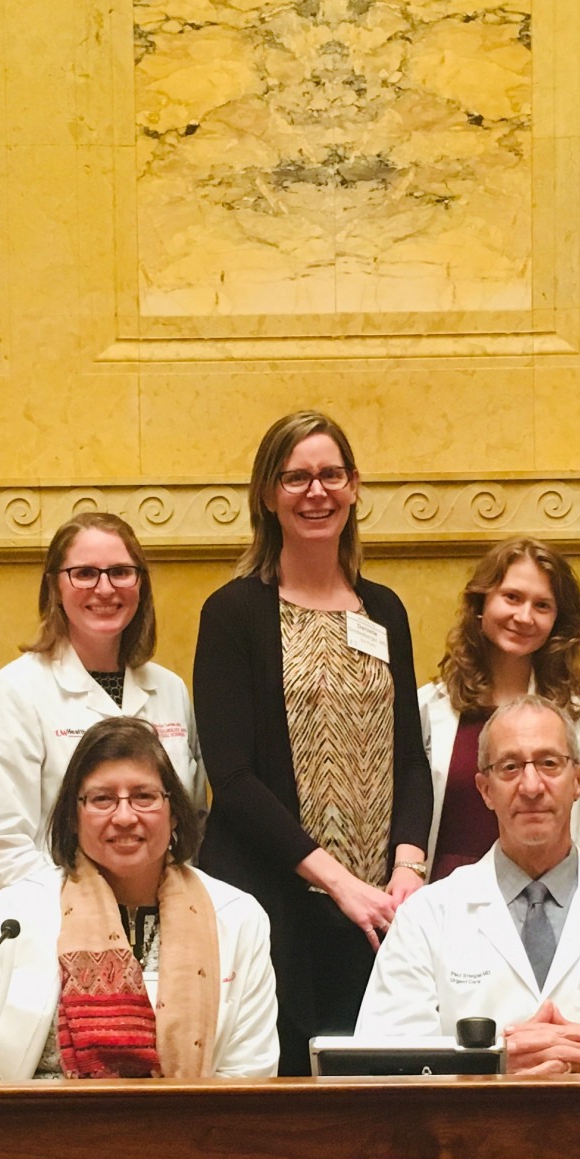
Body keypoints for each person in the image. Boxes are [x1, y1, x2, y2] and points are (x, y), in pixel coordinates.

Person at [193, 410, 434, 1075]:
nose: (315, 492)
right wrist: (339, 883)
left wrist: (407, 870)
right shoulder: (234, 611)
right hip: (275, 908)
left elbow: (411, 756)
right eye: (295, 477)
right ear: (268, 495)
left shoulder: (383, 609)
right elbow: (234, 779)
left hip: (377, 914)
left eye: (330, 474)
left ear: (354, 486)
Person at [0, 717, 278, 1080]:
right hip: (33, 1140)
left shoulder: (237, 918)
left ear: (174, 812)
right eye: (102, 799)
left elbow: (249, 1076)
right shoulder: (19, 913)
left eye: (144, 796)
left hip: (186, 1142)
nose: (125, 817)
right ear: (73, 817)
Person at [357, 697, 580, 1074]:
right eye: (510, 767)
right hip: (470, 1133)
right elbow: (382, 1068)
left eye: (549, 763)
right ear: (485, 789)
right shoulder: (425, 918)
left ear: (579, 780)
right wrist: (489, 1068)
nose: (531, 786)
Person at [0, 513, 201, 894]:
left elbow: (189, 821)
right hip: (58, 925)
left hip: (165, 920)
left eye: (120, 572)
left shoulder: (170, 689)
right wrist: (86, 908)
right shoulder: (13, 692)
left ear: (140, 584)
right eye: (84, 573)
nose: (104, 588)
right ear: (54, 587)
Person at [420, 537, 580, 877]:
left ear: (558, 621)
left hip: (543, 895)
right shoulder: (430, 706)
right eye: (511, 597)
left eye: (542, 606)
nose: (524, 617)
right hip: (445, 897)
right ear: (481, 603)